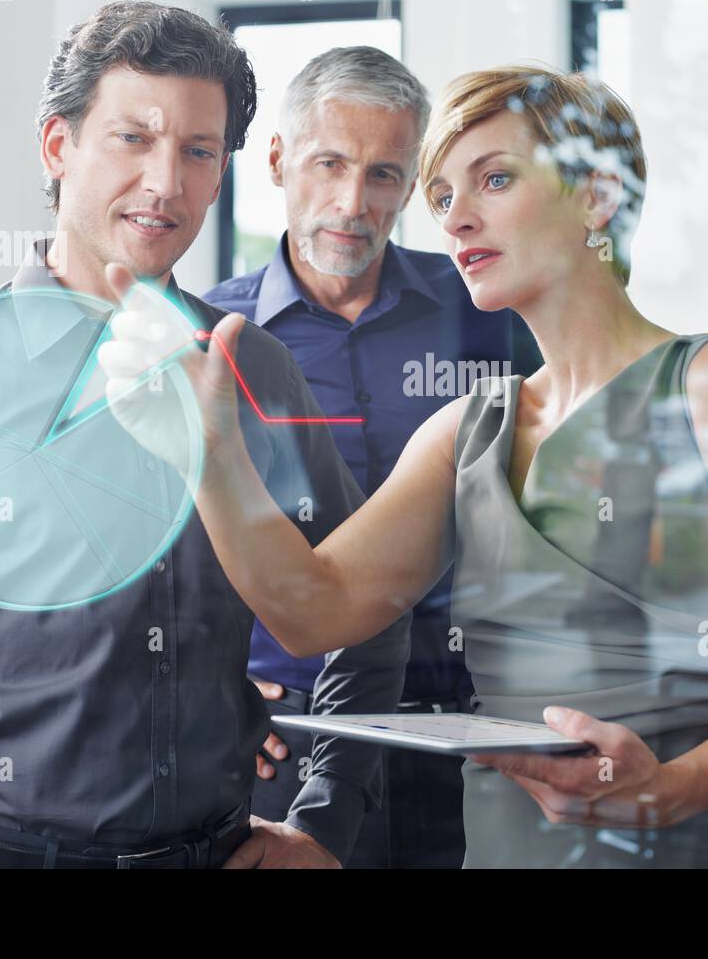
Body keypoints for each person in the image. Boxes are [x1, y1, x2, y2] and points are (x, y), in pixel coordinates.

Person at [100, 63, 708, 868]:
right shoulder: (469, 427)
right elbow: (314, 609)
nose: (456, 219)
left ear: (597, 195)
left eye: (495, 179)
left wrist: (669, 791)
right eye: (442, 196)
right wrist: (210, 456)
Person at [0, 0, 409, 869]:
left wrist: (324, 823)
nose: (167, 183)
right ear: (57, 147)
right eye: (133, 140)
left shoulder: (257, 371)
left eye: (199, 151)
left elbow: (370, 609)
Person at [205, 46, 537, 868]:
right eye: (329, 164)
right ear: (279, 161)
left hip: (460, 730)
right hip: (285, 736)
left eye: (385, 175)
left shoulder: (486, 314)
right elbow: (177, 549)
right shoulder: (214, 336)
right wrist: (210, 697)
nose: (354, 203)